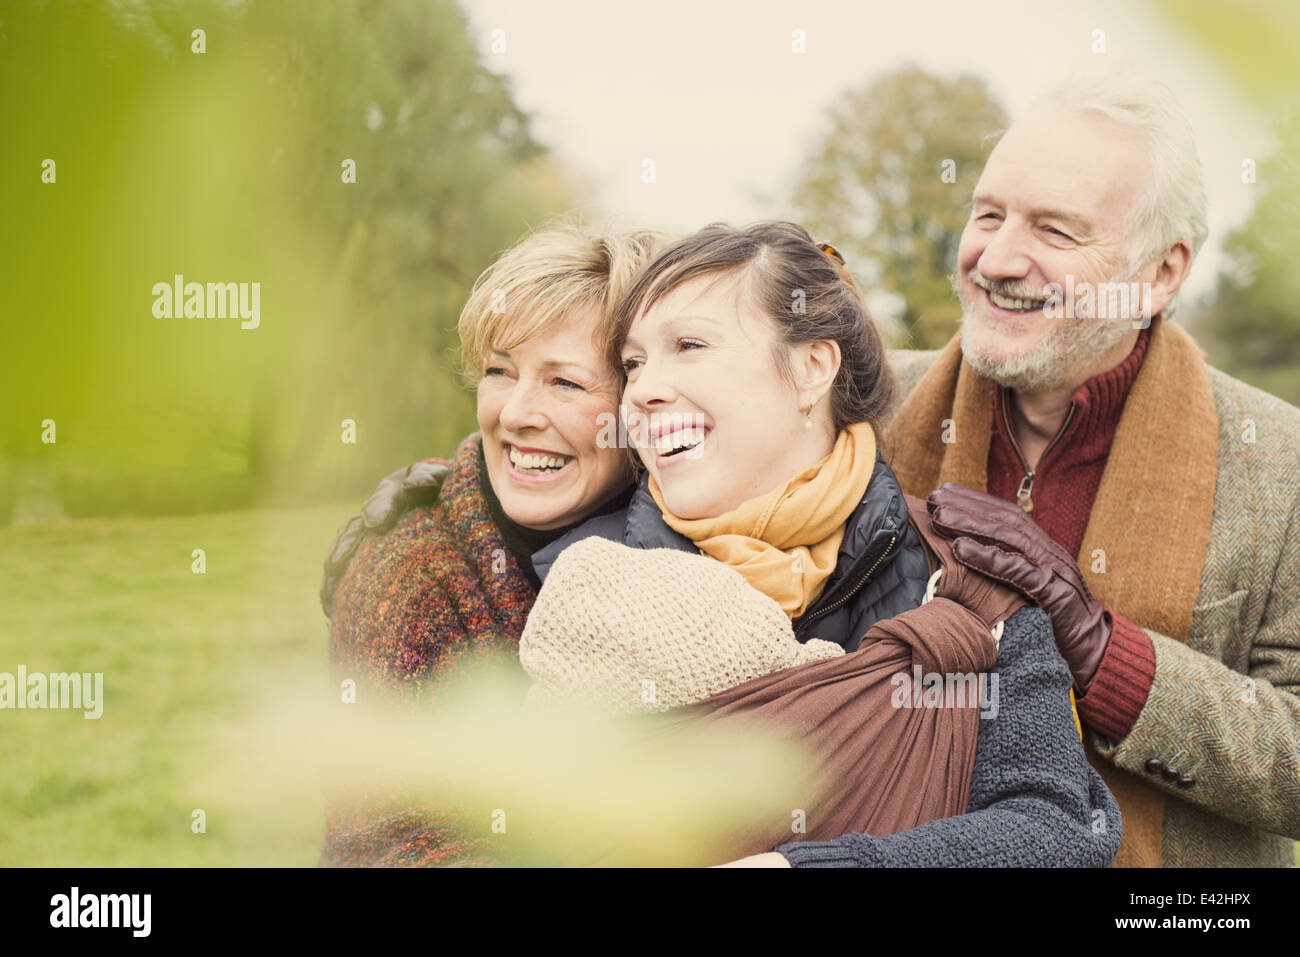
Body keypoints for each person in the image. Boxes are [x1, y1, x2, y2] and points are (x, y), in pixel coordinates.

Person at [512, 220, 1118, 867]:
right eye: (634, 363)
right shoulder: (580, 581)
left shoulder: (967, 582)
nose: (645, 390)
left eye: (689, 344)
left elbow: (1057, 830)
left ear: (811, 369)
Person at [885, 73, 1300, 866]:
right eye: (988, 214)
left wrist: (1108, 655)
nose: (998, 258)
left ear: (1161, 273)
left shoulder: (1283, 463)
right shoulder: (864, 411)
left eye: (1055, 231)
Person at [318, 222, 667, 866]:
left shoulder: (707, 538)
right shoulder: (412, 568)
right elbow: (385, 844)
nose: (515, 413)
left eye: (565, 383)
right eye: (500, 373)